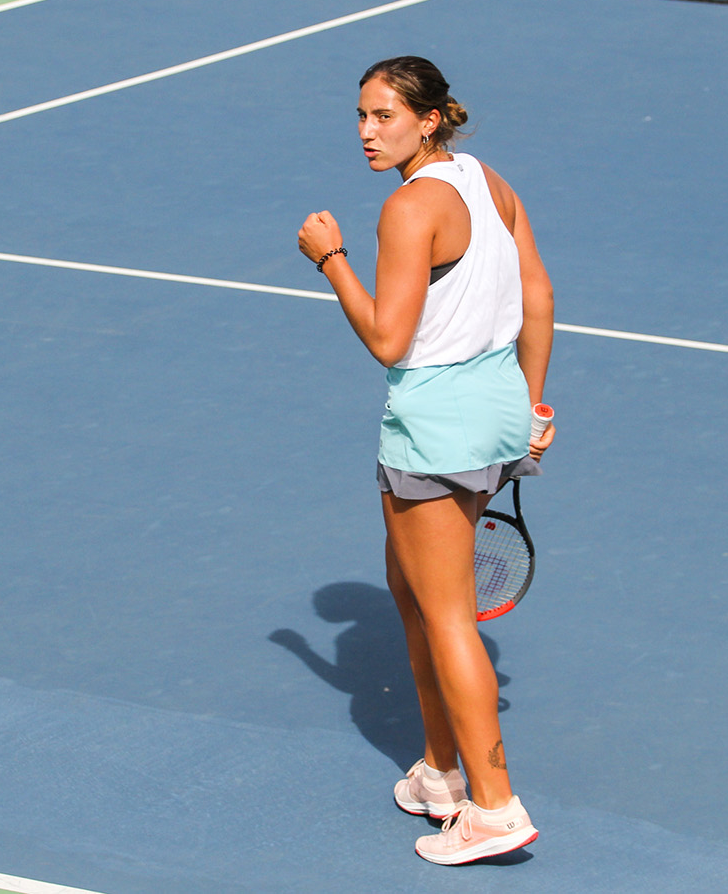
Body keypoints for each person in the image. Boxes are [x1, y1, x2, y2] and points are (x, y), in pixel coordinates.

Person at [296, 56, 555, 865]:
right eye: (362, 116)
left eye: (385, 116)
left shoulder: (409, 210)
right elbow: (538, 297)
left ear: (429, 118)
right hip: (495, 412)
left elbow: (387, 339)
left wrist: (329, 258)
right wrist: (534, 405)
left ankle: (494, 806)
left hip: (434, 428)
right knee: (412, 597)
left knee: (445, 617)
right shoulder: (489, 181)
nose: (368, 132)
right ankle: (442, 774)